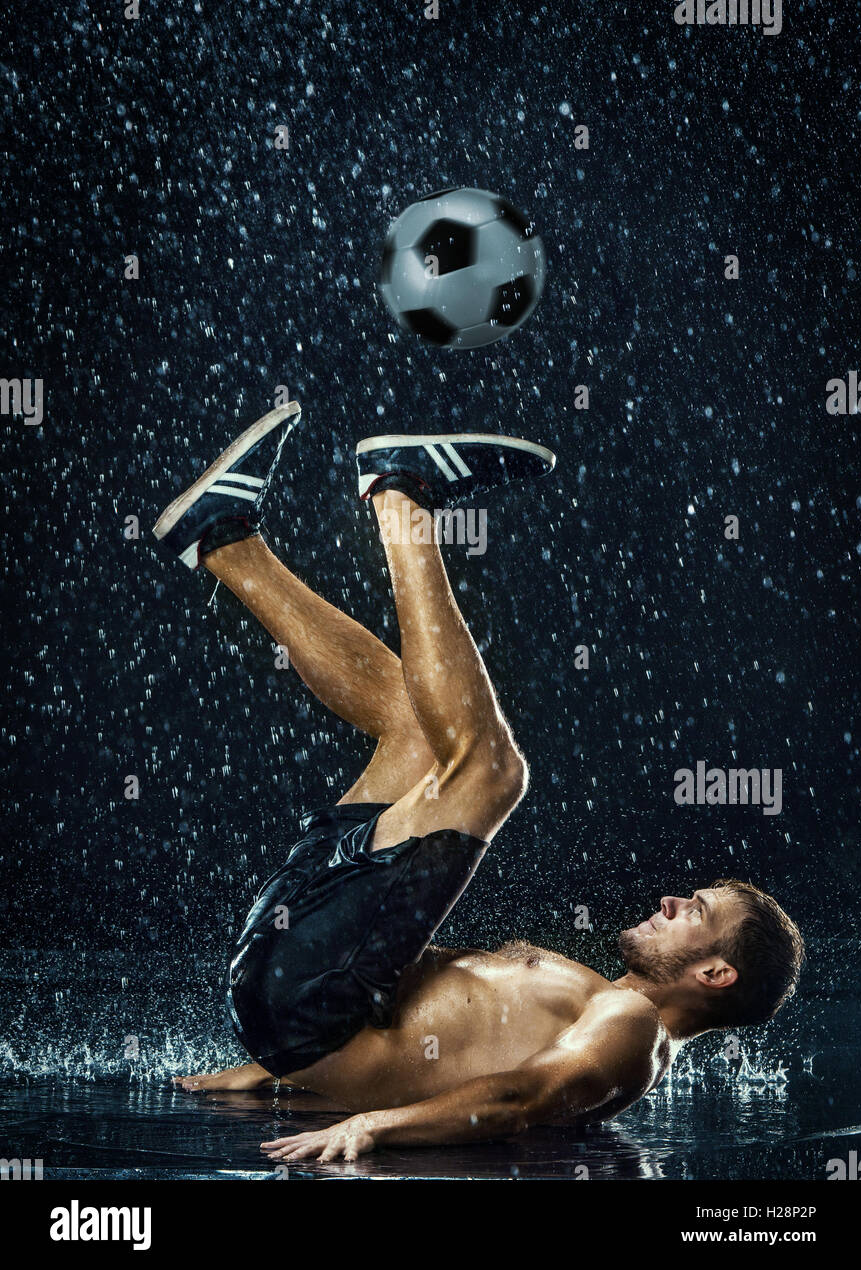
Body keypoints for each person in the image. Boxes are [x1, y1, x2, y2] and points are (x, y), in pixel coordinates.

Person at [154, 405, 804, 1165]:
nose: (670, 900)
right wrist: (266, 1074)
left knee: (493, 771)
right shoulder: (595, 996)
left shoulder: (632, 1032)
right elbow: (427, 1032)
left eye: (694, 912)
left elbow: (518, 1100)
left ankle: (402, 495)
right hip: (300, 992)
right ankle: (226, 540)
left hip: (306, 999)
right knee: (415, 723)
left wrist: (369, 1128)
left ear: (715, 974)